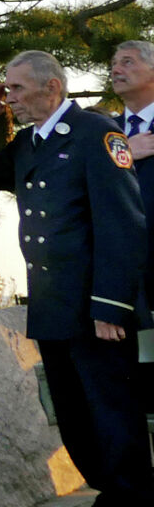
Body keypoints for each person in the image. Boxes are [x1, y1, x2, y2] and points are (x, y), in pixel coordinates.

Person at [0, 51, 151, 507]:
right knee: (75, 417)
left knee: (113, 415)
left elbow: (123, 222)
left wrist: (111, 305)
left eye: (17, 89)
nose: (11, 99)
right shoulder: (30, 143)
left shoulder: (97, 134)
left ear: (52, 87)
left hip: (95, 306)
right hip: (53, 302)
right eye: (7, 89)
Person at [109, 39, 154, 418]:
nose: (115, 69)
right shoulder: (102, 131)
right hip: (121, 283)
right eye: (113, 63)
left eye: (127, 62)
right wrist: (124, 151)